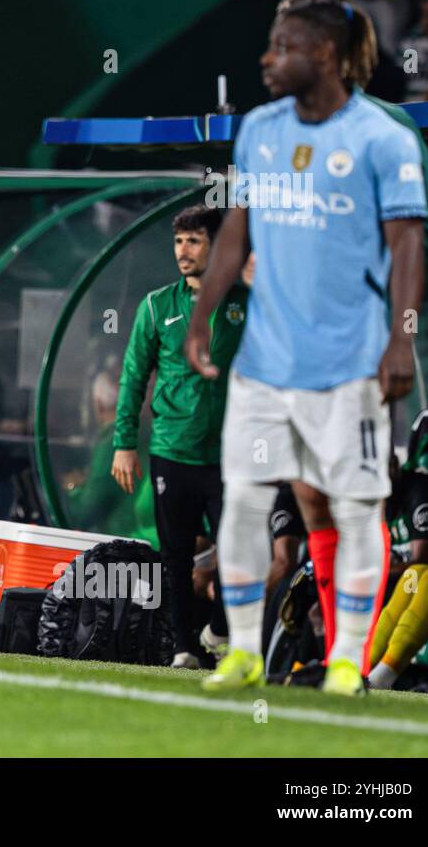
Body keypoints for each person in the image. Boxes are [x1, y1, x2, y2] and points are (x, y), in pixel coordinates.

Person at [191, 0, 427, 696]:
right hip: (270, 358)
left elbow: (411, 238)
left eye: (282, 47)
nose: (267, 59)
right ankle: (241, 648)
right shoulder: (260, 130)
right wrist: (205, 311)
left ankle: (349, 657)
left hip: (349, 357)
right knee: (255, 501)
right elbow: (238, 229)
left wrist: (401, 340)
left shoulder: (384, 139)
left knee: (347, 503)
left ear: (323, 53)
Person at [111, 206, 248, 669]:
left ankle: (222, 625)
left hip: (230, 454)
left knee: (237, 548)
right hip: (172, 450)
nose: (183, 251)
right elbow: (133, 376)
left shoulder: (244, 302)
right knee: (175, 557)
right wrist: (124, 443)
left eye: (194, 241)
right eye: (178, 242)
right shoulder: (156, 306)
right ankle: (184, 645)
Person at [367, 422, 428, 688]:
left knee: (427, 577)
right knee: (415, 574)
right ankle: (366, 668)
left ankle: (381, 677)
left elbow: (424, 557)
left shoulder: (423, 492)